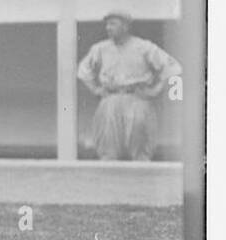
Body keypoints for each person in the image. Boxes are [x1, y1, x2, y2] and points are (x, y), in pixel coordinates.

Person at [76, 11, 181, 161]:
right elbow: (83, 71)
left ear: (125, 26)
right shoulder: (100, 48)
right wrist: (96, 89)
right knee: (108, 146)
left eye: (113, 24)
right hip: (111, 99)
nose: (108, 28)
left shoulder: (144, 47)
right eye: (107, 24)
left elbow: (173, 67)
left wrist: (156, 90)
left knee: (139, 141)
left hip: (136, 98)